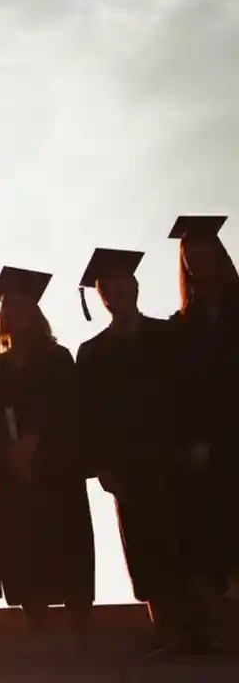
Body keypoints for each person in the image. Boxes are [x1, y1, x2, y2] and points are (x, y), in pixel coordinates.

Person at [74, 248, 210, 654]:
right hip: (128, 464)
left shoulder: (168, 336)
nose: (119, 290)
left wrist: (198, 441)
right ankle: (166, 627)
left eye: (124, 283)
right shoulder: (93, 352)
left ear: (135, 287)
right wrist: (100, 466)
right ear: (103, 298)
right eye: (109, 287)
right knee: (145, 545)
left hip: (177, 455)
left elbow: (191, 394)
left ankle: (204, 627)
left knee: (191, 539)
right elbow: (89, 416)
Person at [0, 266, 95, 638]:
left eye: (24, 307)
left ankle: (81, 636)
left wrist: (36, 442)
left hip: (57, 474)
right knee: (25, 561)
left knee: (69, 557)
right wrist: (6, 455)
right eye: (10, 309)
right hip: (13, 481)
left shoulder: (58, 360)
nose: (17, 314)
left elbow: (72, 411)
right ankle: (38, 633)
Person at [166, 215, 239, 620]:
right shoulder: (182, 326)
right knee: (217, 529)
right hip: (209, 445)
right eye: (189, 253)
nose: (197, 258)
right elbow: (183, 393)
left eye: (203, 250)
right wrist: (193, 439)